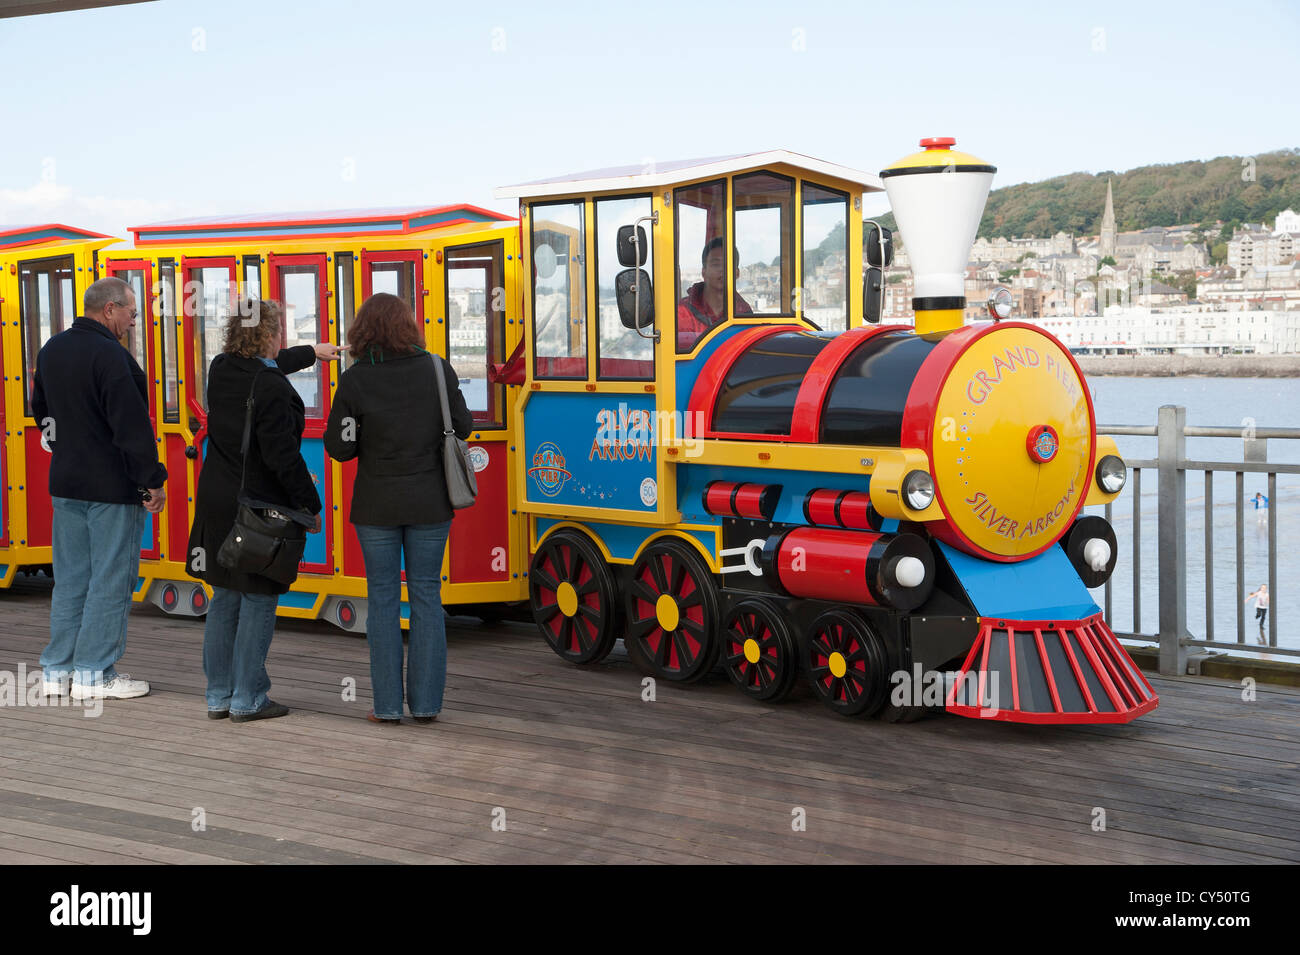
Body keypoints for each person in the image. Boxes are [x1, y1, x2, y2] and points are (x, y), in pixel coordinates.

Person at [186, 299, 337, 722]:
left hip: (218, 498)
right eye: (279, 331)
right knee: (258, 596)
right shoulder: (271, 387)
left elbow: (263, 369)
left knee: (225, 595)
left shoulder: (220, 368)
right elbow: (281, 457)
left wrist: (311, 352)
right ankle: (248, 698)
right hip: (260, 506)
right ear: (270, 335)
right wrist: (310, 503)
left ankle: (218, 694)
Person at [324, 293, 471, 725]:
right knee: (427, 596)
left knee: (383, 600)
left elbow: (339, 447)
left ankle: (386, 706)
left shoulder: (355, 380)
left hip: (376, 505)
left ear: (362, 331)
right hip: (431, 502)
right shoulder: (436, 368)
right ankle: (426, 705)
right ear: (408, 325)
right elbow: (462, 425)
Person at [33, 277, 167, 701]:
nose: (133, 320)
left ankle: (57, 671)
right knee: (111, 578)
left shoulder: (52, 349)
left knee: (72, 579)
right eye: (130, 312)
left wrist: (66, 446)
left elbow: (42, 413)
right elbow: (131, 426)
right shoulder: (112, 357)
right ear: (109, 309)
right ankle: (94, 675)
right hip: (110, 489)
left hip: (65, 483)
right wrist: (152, 480)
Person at [676, 236, 753, 351]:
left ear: (737, 273)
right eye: (716, 264)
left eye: (728, 264)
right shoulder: (682, 311)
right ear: (704, 272)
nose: (722, 270)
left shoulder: (746, 314)